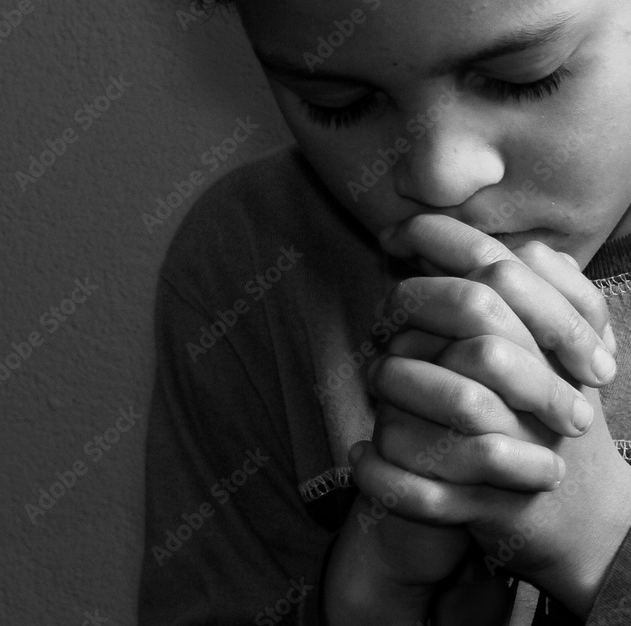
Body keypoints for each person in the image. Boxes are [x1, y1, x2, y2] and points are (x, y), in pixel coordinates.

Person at [137, 0, 631, 623]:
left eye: (525, 79)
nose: (440, 178)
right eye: (338, 103)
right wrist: (371, 599)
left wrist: (605, 546)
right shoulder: (248, 269)